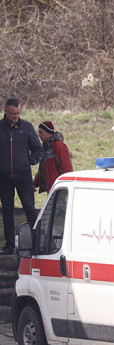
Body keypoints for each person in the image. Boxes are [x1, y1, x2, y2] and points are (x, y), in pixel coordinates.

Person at [0, 99, 42, 254]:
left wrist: (29, 161)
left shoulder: (27, 127)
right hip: (3, 177)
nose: (16, 116)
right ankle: (9, 245)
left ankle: (36, 245)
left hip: (23, 176)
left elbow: (38, 149)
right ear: (5, 111)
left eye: (18, 113)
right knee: (7, 211)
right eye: (13, 113)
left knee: (30, 209)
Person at [34, 121, 73, 194]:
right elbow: (42, 169)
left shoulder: (59, 146)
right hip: (52, 189)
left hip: (59, 189)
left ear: (48, 133)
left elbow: (67, 168)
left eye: (41, 132)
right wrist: (35, 183)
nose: (39, 135)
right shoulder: (45, 147)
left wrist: (64, 186)